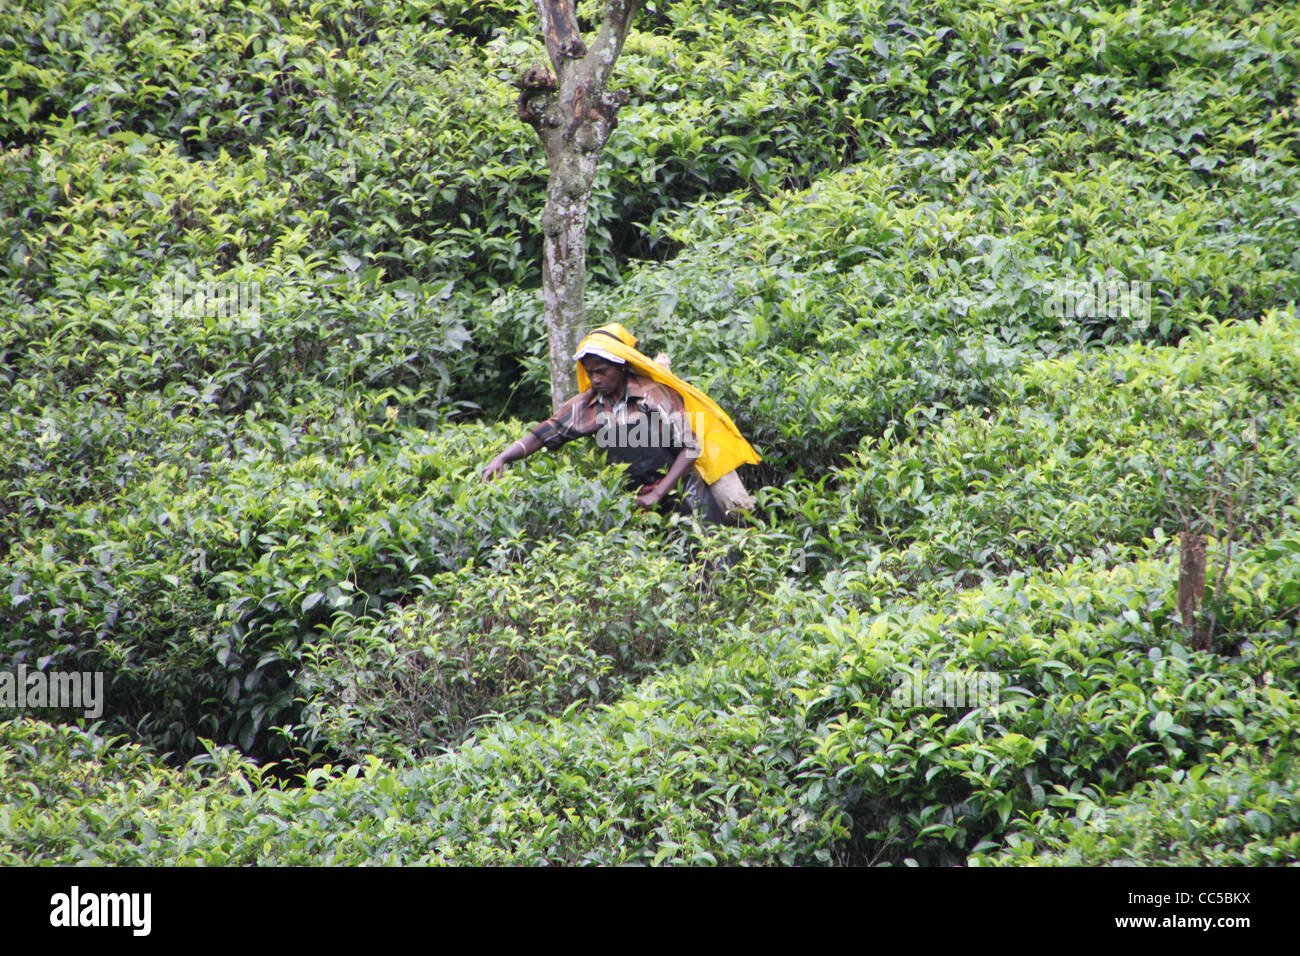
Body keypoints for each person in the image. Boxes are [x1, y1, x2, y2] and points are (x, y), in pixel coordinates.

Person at [482, 324, 759, 524]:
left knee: (708, 561)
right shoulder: (589, 404)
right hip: (635, 500)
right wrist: (503, 456)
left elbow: (690, 448)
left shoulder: (653, 396)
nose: (596, 380)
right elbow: (546, 432)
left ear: (622, 367)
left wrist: (660, 492)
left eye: (602, 372)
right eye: (590, 373)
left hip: (683, 491)